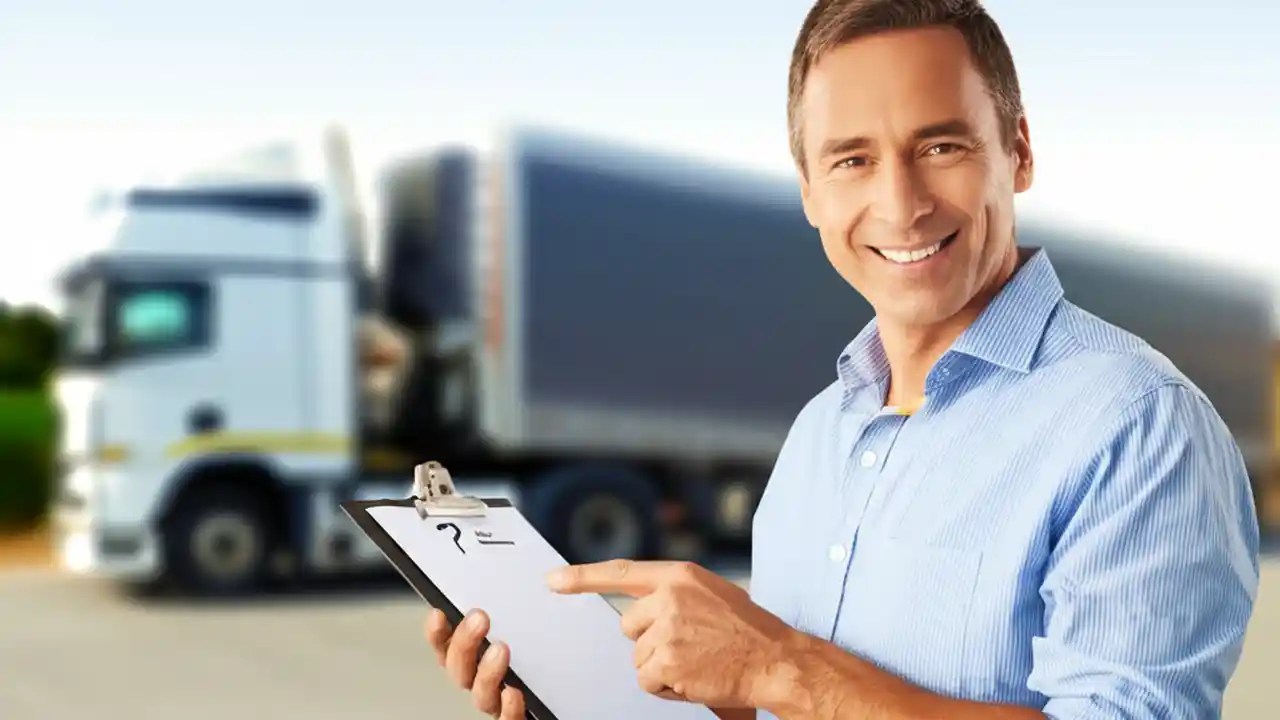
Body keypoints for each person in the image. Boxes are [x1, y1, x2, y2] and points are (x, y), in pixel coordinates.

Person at [424, 0, 1261, 717]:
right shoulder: (819, 437)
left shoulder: (1138, 427)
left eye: (941, 146)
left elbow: (796, 680)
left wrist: (777, 665)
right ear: (810, 191)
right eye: (852, 160)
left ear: (1019, 151)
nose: (899, 204)